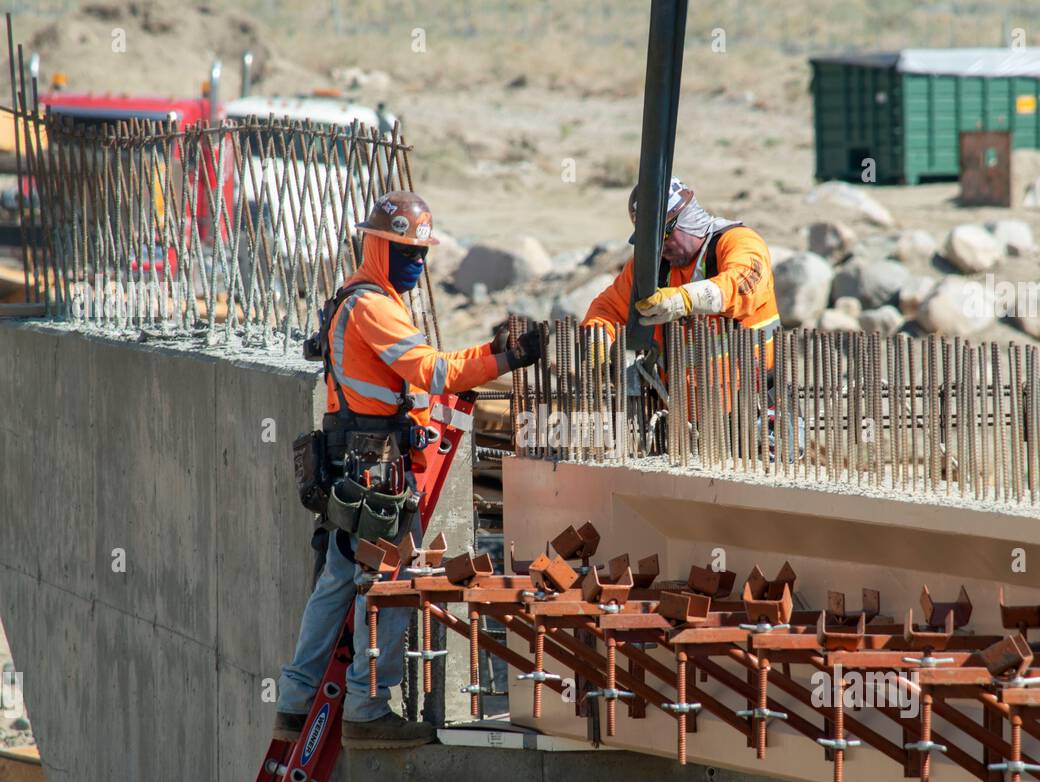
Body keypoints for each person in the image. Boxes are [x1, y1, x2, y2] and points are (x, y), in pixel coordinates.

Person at [275, 190, 541, 748]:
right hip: (373, 473)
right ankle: (368, 707)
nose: (417, 262)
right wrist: (503, 357)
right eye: (407, 251)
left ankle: (297, 701)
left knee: (341, 580)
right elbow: (430, 371)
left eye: (423, 253)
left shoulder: (366, 296)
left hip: (364, 465)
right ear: (378, 246)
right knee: (388, 583)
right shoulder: (371, 304)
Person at [581, 176, 779, 360]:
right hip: (680, 397)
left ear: (687, 219)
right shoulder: (652, 266)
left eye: (663, 236)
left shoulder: (737, 241)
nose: (658, 248)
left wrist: (685, 299)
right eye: (650, 241)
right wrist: (597, 343)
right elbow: (607, 309)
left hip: (748, 395)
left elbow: (746, 283)